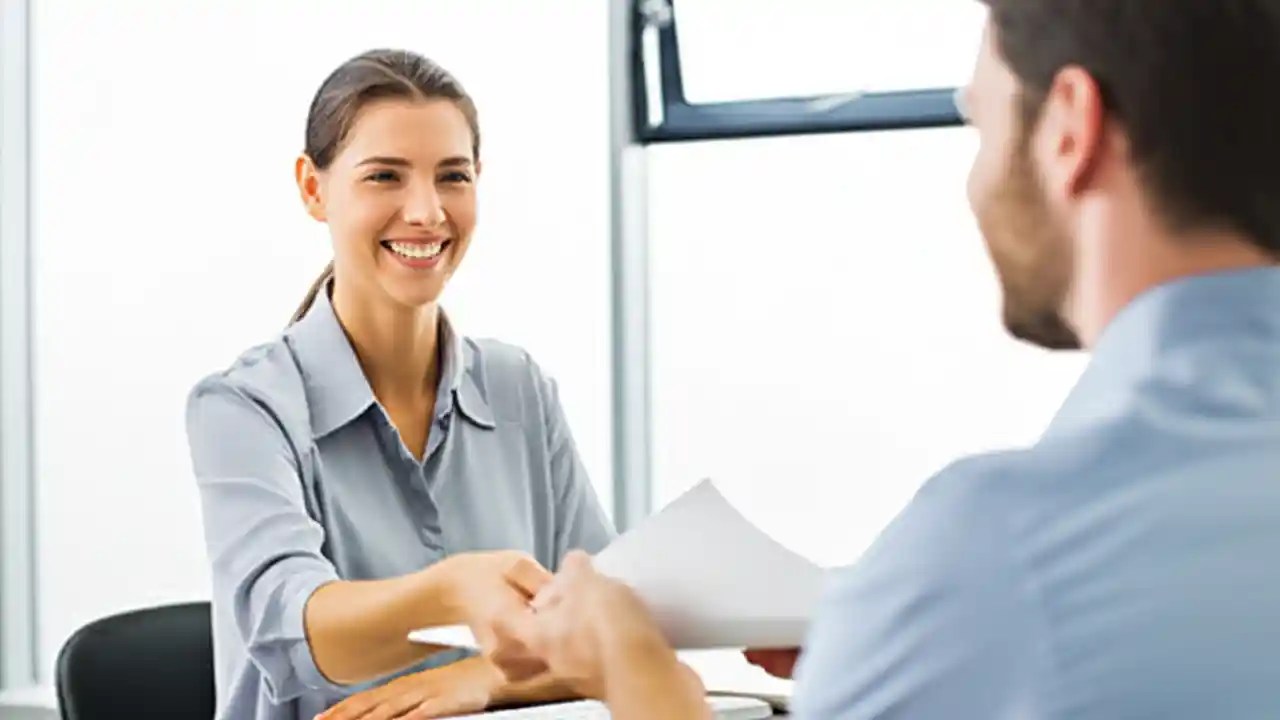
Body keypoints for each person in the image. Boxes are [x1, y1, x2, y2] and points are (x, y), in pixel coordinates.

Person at [489, 1, 1280, 717]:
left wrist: (632, 671)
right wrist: (903, 642)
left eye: (982, 127)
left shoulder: (1004, 545)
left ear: (1070, 130)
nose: (975, 181)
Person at [184, 49, 614, 720]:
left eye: (453, 177)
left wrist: (485, 681)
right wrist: (451, 592)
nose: (427, 211)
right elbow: (295, 634)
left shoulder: (518, 388)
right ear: (312, 187)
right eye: (385, 176)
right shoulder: (246, 406)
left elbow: (614, 631)